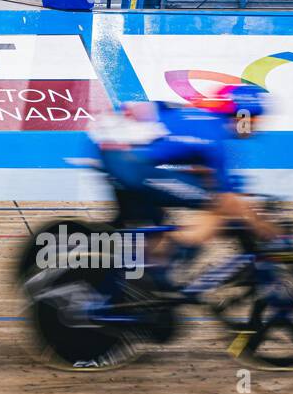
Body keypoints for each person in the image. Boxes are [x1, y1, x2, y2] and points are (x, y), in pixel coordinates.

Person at [88, 86, 277, 284]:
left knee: (150, 218)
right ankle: (163, 268)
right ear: (243, 116)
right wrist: (268, 230)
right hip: (128, 162)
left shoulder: (201, 118)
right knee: (216, 206)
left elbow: (199, 172)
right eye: (256, 120)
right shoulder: (218, 134)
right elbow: (226, 199)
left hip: (109, 151)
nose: (256, 126)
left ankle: (125, 271)